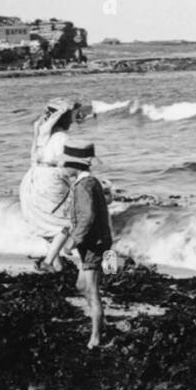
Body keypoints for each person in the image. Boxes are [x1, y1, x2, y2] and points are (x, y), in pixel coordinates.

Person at [19, 98, 79, 271]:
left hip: (33, 177)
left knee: (46, 223)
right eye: (71, 116)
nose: (73, 120)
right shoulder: (62, 138)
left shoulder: (42, 135)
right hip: (51, 180)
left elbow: (34, 156)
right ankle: (48, 262)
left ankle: (56, 264)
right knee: (67, 223)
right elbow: (67, 165)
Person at [64, 144, 113, 349]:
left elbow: (88, 217)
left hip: (93, 244)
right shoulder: (88, 182)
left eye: (66, 164)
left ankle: (96, 337)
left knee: (92, 290)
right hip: (93, 242)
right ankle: (98, 319)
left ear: (75, 165)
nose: (63, 167)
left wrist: (73, 240)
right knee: (81, 286)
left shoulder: (84, 186)